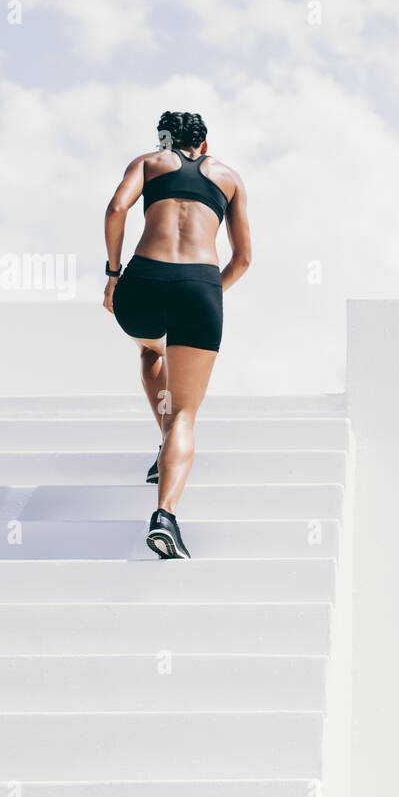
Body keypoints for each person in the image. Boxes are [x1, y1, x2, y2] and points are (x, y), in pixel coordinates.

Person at [102, 111, 251, 558]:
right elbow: (242, 259)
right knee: (185, 411)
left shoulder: (150, 162)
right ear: (203, 146)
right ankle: (165, 515)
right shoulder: (229, 177)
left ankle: (163, 442)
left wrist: (113, 275)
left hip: (142, 284)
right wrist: (203, 292)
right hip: (200, 287)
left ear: (165, 142)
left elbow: (115, 209)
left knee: (151, 353)